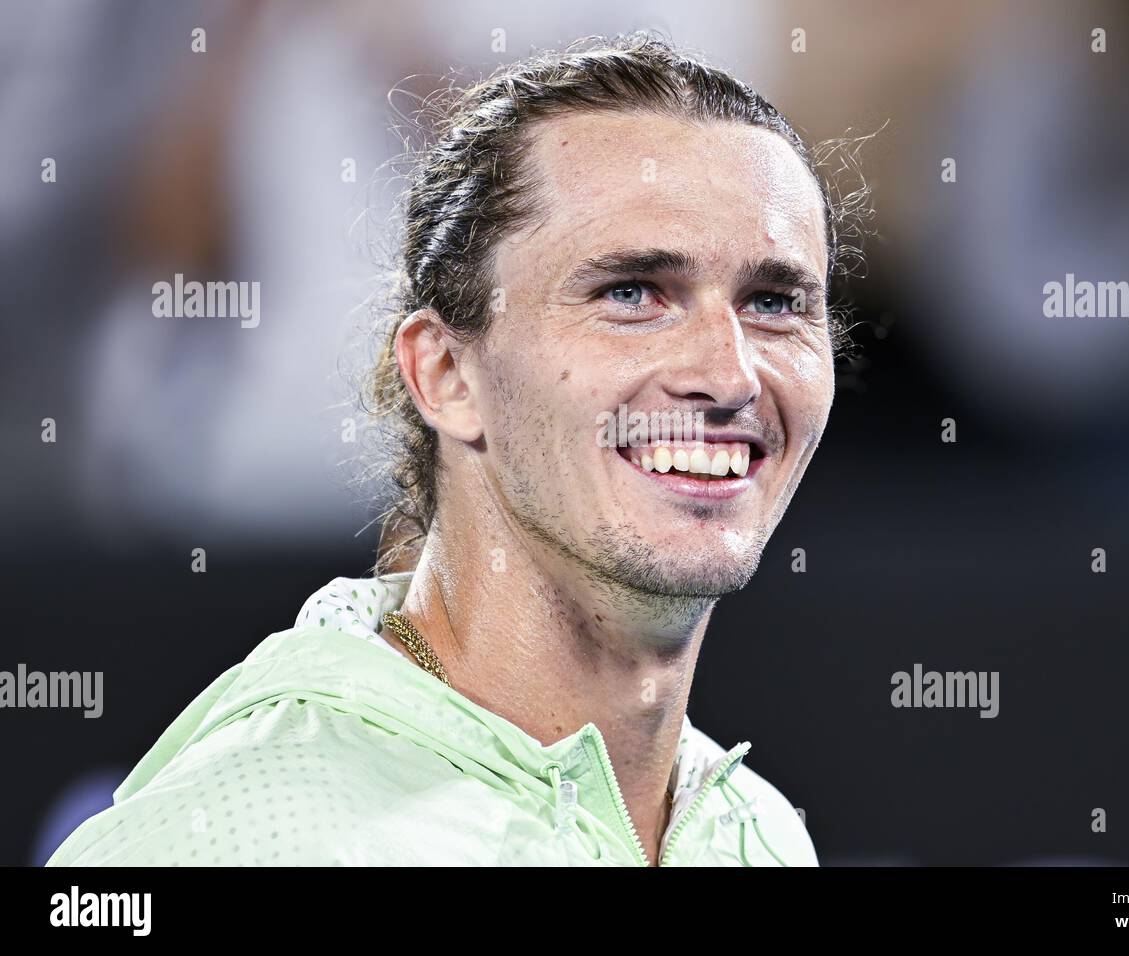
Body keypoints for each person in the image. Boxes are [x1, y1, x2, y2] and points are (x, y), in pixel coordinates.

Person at [47, 31, 845, 866]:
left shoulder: (756, 832)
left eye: (776, 303)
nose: (729, 374)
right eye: (632, 292)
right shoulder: (233, 833)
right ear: (446, 375)